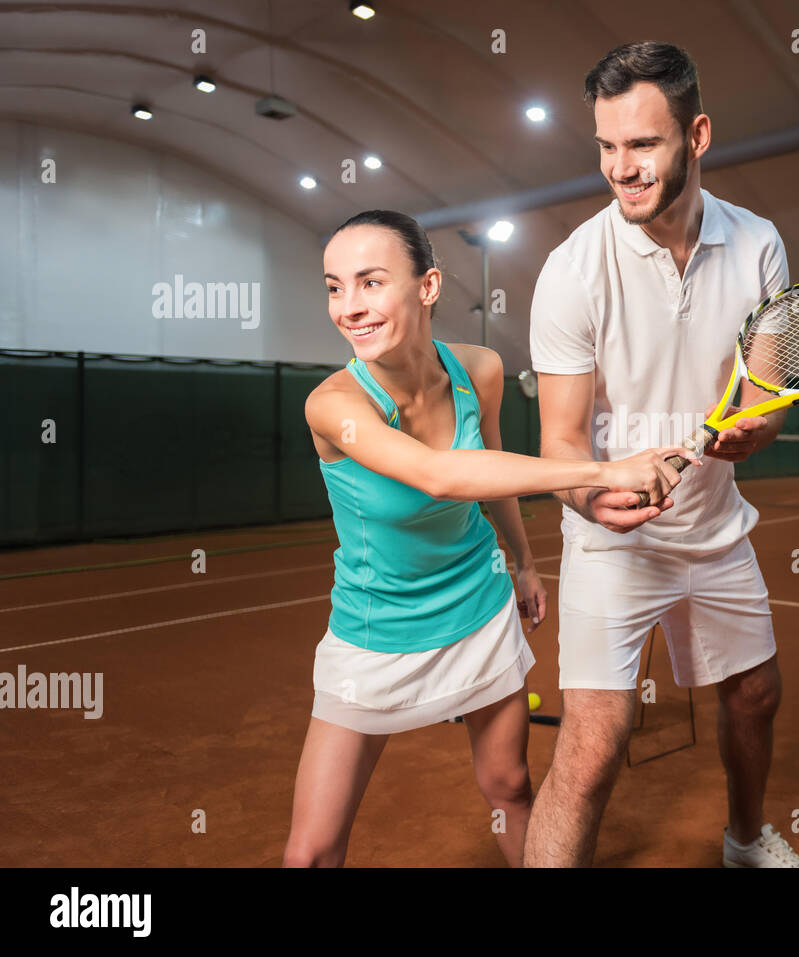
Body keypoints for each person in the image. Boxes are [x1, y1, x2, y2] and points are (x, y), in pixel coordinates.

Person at [283, 209, 697, 867]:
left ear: (427, 286)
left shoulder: (479, 368)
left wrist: (524, 562)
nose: (349, 306)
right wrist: (602, 468)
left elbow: (490, 470)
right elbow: (440, 474)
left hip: (479, 605)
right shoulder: (334, 405)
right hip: (373, 631)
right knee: (311, 851)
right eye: (335, 286)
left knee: (510, 786)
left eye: (369, 282)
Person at [524, 43, 799, 867]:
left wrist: (757, 428)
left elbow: (763, 396)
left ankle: (746, 840)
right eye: (607, 147)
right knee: (593, 740)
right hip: (612, 541)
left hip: (716, 527)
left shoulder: (759, 244)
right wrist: (591, 496)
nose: (622, 168)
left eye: (643, 145)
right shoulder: (571, 270)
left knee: (756, 693)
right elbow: (562, 443)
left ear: (697, 134)